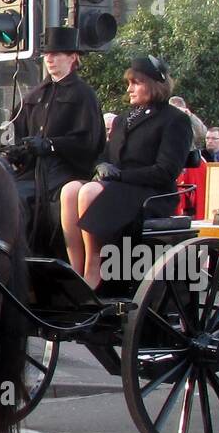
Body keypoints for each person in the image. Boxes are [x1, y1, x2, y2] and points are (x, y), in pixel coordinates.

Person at [65, 56, 193, 289]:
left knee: (89, 192)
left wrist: (119, 176)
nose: (129, 89)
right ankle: (75, 267)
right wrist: (101, 166)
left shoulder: (175, 120)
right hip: (118, 187)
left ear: (153, 85)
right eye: (129, 83)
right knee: (71, 190)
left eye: (136, 83)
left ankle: (95, 267)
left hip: (150, 193)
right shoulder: (123, 119)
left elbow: (166, 171)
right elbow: (106, 155)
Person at [4, 26, 105, 272]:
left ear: (72, 57)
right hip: (33, 170)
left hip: (65, 172)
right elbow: (17, 130)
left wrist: (51, 145)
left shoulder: (83, 95)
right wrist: (18, 150)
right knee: (3, 191)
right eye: (47, 54)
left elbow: (90, 142)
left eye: (56, 54)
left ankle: (32, 263)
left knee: (24, 199)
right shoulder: (35, 94)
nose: (50, 59)